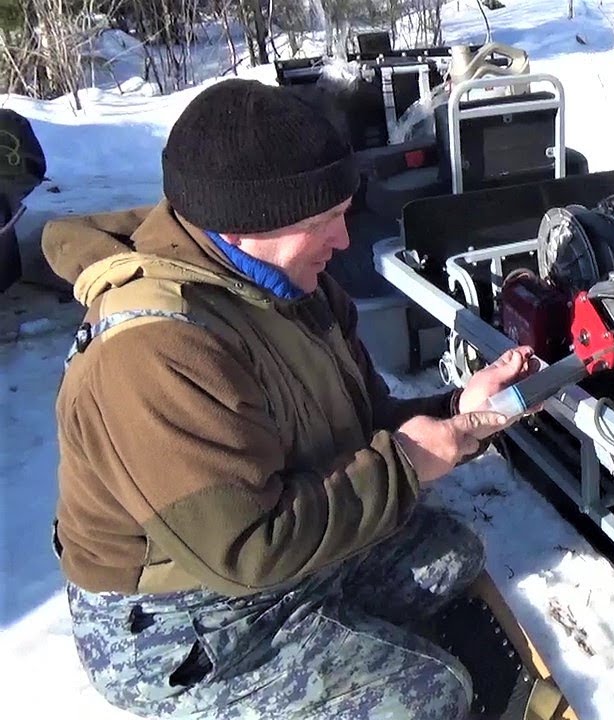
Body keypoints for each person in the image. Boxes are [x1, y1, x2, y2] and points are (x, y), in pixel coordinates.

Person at [42, 78, 537, 719]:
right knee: (431, 693)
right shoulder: (152, 352)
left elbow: (360, 422)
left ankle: (323, 637)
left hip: (263, 544)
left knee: (453, 554)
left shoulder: (290, 285)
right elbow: (249, 549)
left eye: (342, 215)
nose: (342, 242)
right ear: (242, 226)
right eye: (320, 223)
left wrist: (461, 411)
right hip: (177, 619)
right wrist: (408, 465)